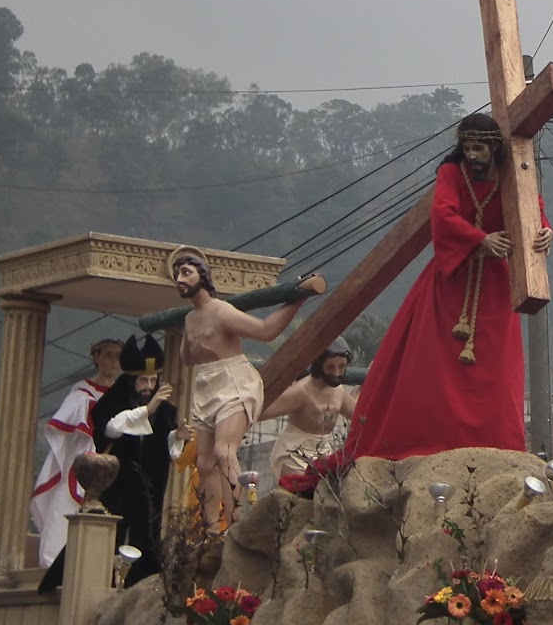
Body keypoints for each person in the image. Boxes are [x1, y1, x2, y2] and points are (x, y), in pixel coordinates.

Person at [340, 114, 552, 460]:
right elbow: (443, 214)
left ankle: (496, 444)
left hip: (495, 288)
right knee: (433, 367)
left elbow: (533, 211)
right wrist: (480, 239)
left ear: (494, 147)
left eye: (479, 148)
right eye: (467, 148)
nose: (472, 155)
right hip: (450, 284)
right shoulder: (452, 174)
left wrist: (545, 231)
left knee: (496, 370)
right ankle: (427, 439)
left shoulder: (514, 176)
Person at [174, 252, 327, 528]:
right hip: (206, 386)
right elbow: (186, 357)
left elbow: (265, 330)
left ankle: (236, 521)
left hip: (233, 383)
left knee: (224, 452)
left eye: (186, 272)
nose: (179, 279)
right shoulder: (189, 319)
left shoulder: (220, 311)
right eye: (177, 274)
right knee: (205, 462)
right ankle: (212, 527)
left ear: (202, 276)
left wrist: (297, 299)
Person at [37, 336, 177, 592]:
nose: (148, 387)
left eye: (153, 381)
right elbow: (111, 427)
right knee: (110, 530)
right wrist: (146, 410)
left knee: (148, 533)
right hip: (119, 482)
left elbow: (171, 445)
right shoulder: (114, 400)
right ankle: (96, 579)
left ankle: (141, 585)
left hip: (151, 484)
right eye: (143, 381)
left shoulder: (165, 409)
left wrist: (179, 437)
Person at [30, 337, 121, 567]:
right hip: (81, 463)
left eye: (118, 356)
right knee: (66, 505)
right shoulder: (82, 392)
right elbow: (71, 417)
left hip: (114, 463)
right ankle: (54, 562)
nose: (114, 361)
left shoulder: (122, 392)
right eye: (108, 355)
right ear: (97, 358)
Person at [260, 339, 359, 480]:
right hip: (293, 453)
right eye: (331, 367)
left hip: (323, 454)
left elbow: (359, 415)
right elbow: (261, 412)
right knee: (297, 491)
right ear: (320, 365)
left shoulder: (339, 391)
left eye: (341, 367)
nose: (336, 372)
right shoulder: (301, 391)